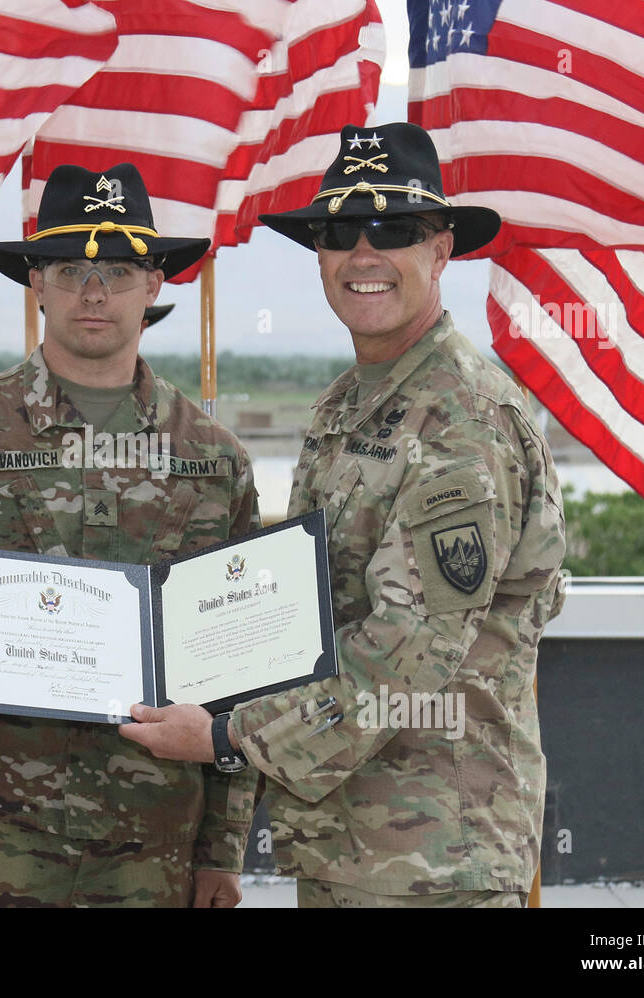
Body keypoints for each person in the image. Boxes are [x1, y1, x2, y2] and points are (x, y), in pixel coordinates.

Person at [120, 122, 566, 908]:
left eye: (395, 228)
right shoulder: (348, 408)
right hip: (349, 843)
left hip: (434, 856)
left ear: (441, 250)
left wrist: (227, 736)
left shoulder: (462, 419)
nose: (364, 253)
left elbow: (409, 650)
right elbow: (307, 607)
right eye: (340, 231)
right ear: (320, 254)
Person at [0, 162, 261, 907]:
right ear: (36, 280)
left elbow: (240, 668)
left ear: (156, 283)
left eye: (120, 270)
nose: (94, 293)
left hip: (153, 845)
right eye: (71, 269)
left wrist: (221, 849)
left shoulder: (211, 457)